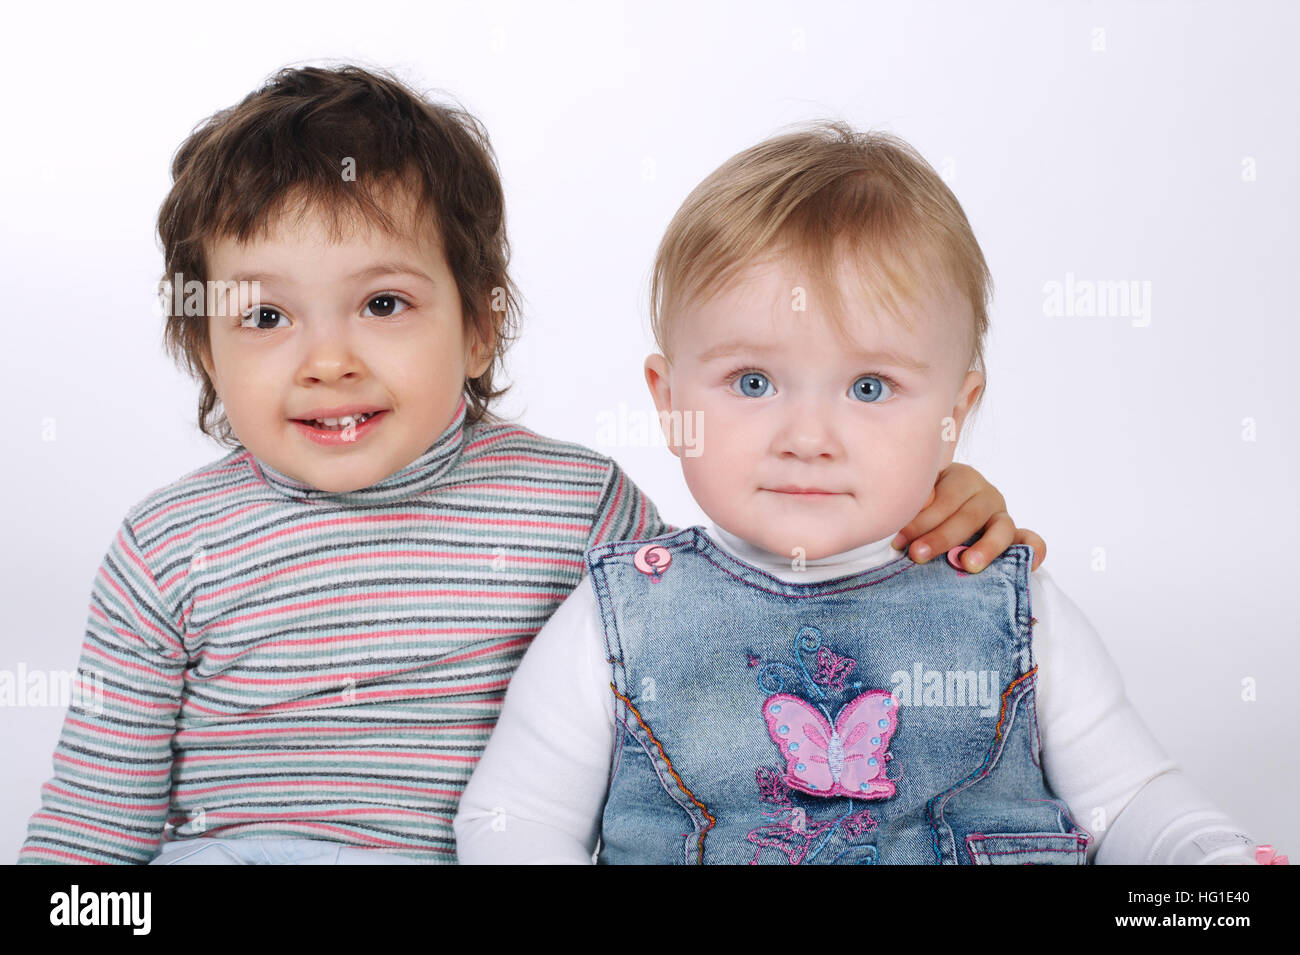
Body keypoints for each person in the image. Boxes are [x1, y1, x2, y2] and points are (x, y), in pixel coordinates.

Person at [17, 69, 1035, 865]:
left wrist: (927, 512)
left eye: (382, 304)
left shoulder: (574, 506)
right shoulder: (170, 546)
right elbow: (90, 830)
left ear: (478, 326)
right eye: (266, 316)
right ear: (205, 348)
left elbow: (740, 611)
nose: (327, 359)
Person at [454, 122, 1285, 865]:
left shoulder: (1008, 600)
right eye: (752, 381)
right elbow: (513, 817)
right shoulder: (622, 618)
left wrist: (1210, 860)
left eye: (871, 388)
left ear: (955, 414)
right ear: (670, 404)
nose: (808, 434)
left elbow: (1131, 799)